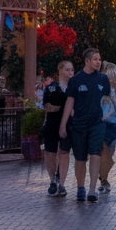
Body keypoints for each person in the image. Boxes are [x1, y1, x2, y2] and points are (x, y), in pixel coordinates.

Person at [60, 48, 113, 203]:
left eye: (99, 59)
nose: (98, 62)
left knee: (96, 153)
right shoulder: (76, 80)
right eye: (95, 59)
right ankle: (80, 188)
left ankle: (92, 189)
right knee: (80, 158)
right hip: (79, 124)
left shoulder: (103, 79)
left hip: (97, 123)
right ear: (87, 61)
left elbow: (107, 100)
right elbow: (69, 103)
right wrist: (63, 125)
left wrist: (107, 114)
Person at [42, 61, 73, 197]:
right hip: (52, 123)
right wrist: (63, 108)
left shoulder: (74, 87)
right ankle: (52, 179)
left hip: (69, 124)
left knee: (64, 152)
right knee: (50, 152)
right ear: (60, 70)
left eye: (72, 70)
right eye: (67, 70)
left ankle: (62, 183)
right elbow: (48, 107)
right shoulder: (50, 88)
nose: (70, 73)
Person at [98, 62, 116, 194]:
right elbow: (114, 106)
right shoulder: (101, 87)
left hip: (113, 123)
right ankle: (103, 179)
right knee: (104, 152)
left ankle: (103, 176)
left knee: (110, 152)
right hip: (102, 122)